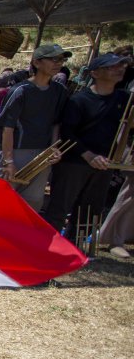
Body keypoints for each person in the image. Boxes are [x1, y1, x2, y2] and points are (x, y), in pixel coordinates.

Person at [42, 53, 132, 236]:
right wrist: (89, 155)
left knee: (91, 209)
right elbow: (66, 132)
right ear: (95, 73)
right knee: (60, 206)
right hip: (73, 162)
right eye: (111, 67)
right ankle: (47, 245)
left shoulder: (124, 99)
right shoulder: (79, 100)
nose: (119, 70)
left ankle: (76, 247)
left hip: (104, 162)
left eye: (121, 66)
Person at [0, 44, 72, 211]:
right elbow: (7, 127)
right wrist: (8, 160)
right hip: (16, 151)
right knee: (2, 199)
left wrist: (54, 148)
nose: (58, 63)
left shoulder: (59, 91)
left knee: (33, 202)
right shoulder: (20, 91)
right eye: (53, 59)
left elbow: (56, 123)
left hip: (43, 152)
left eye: (61, 59)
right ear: (37, 63)